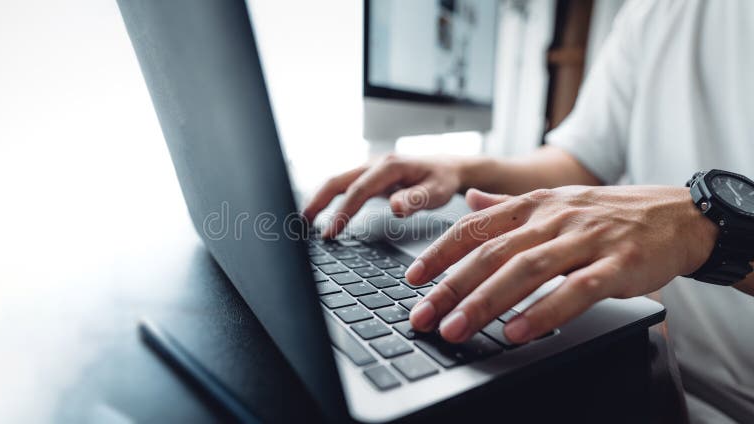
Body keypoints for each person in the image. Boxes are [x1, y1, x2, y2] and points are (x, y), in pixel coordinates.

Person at [303, 1, 754, 422]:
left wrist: (700, 227)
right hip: (657, 359)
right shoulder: (656, 8)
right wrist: (462, 169)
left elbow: (682, 219)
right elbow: (580, 160)